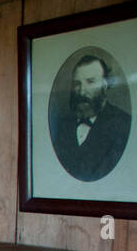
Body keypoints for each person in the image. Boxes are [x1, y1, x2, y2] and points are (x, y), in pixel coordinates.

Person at [51, 53, 130, 182]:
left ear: (104, 85)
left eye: (90, 82)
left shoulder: (123, 124)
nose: (82, 91)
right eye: (77, 83)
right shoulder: (62, 125)